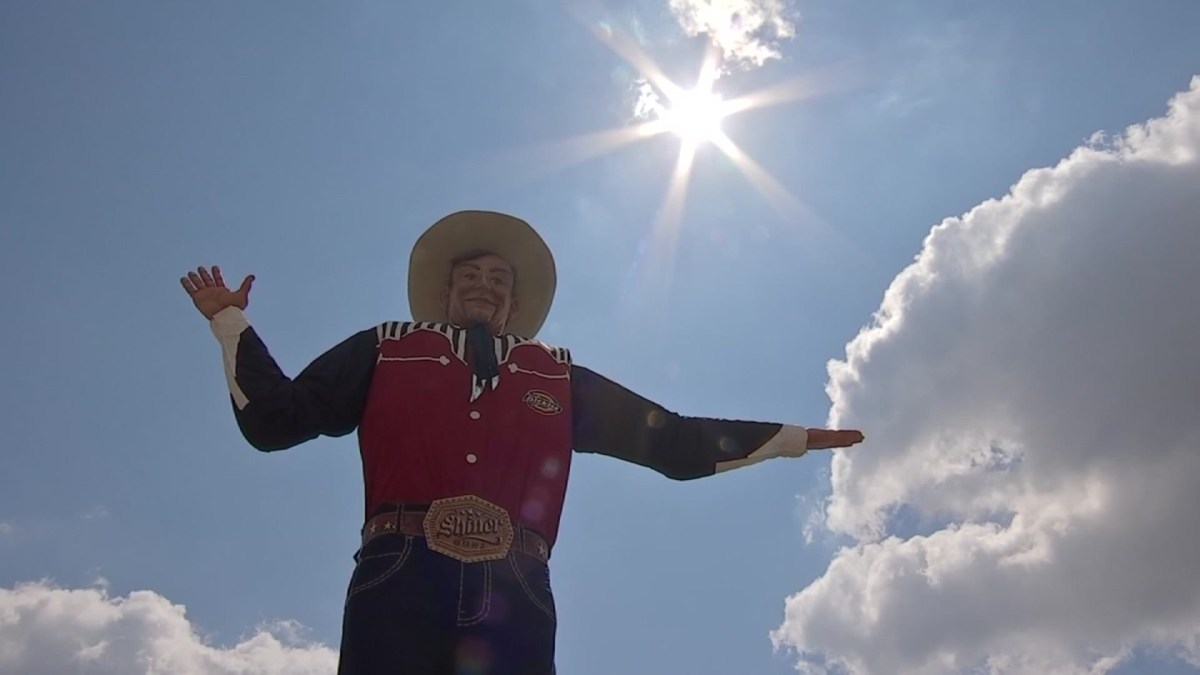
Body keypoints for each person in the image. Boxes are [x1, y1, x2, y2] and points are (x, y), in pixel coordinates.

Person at [180, 210, 864, 675]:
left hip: (517, 581)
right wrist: (230, 321)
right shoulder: (388, 347)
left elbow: (673, 442)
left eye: (498, 280)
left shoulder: (557, 374)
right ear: (445, 291)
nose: (484, 286)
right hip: (400, 569)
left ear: (513, 302)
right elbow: (278, 418)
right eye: (471, 276)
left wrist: (791, 438)